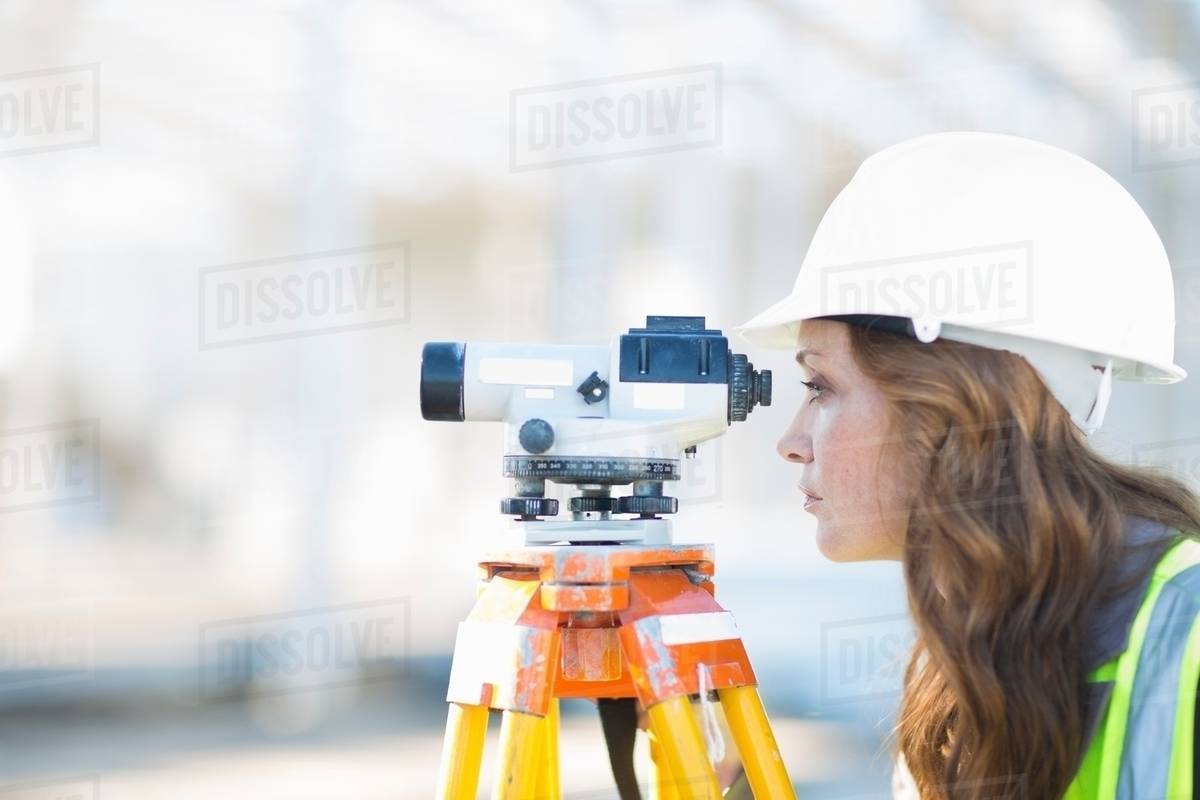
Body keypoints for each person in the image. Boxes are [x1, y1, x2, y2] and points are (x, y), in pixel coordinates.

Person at [729, 132, 1200, 799]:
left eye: (821, 387)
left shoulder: (1187, 629)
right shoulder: (966, 644)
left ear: (943, 400)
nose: (792, 441)